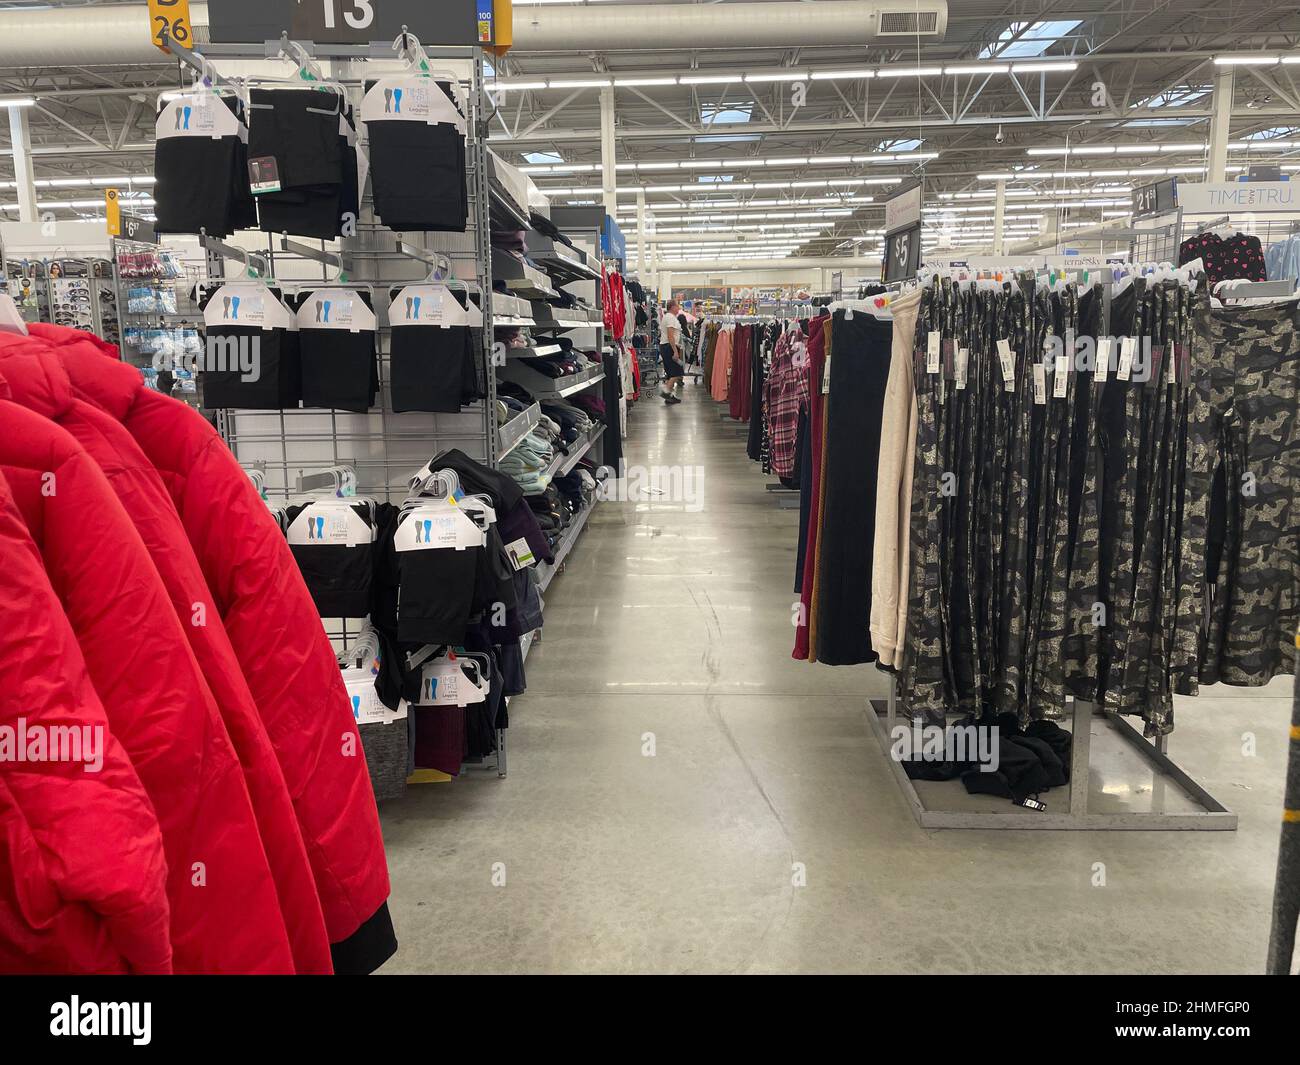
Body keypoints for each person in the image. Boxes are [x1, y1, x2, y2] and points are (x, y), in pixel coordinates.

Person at [658, 299, 687, 404]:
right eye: (677, 306)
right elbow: (670, 335)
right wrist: (675, 351)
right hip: (669, 347)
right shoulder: (670, 318)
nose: (679, 308)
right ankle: (666, 392)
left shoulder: (669, 317)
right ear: (673, 307)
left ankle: (669, 396)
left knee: (671, 373)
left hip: (667, 346)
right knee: (677, 372)